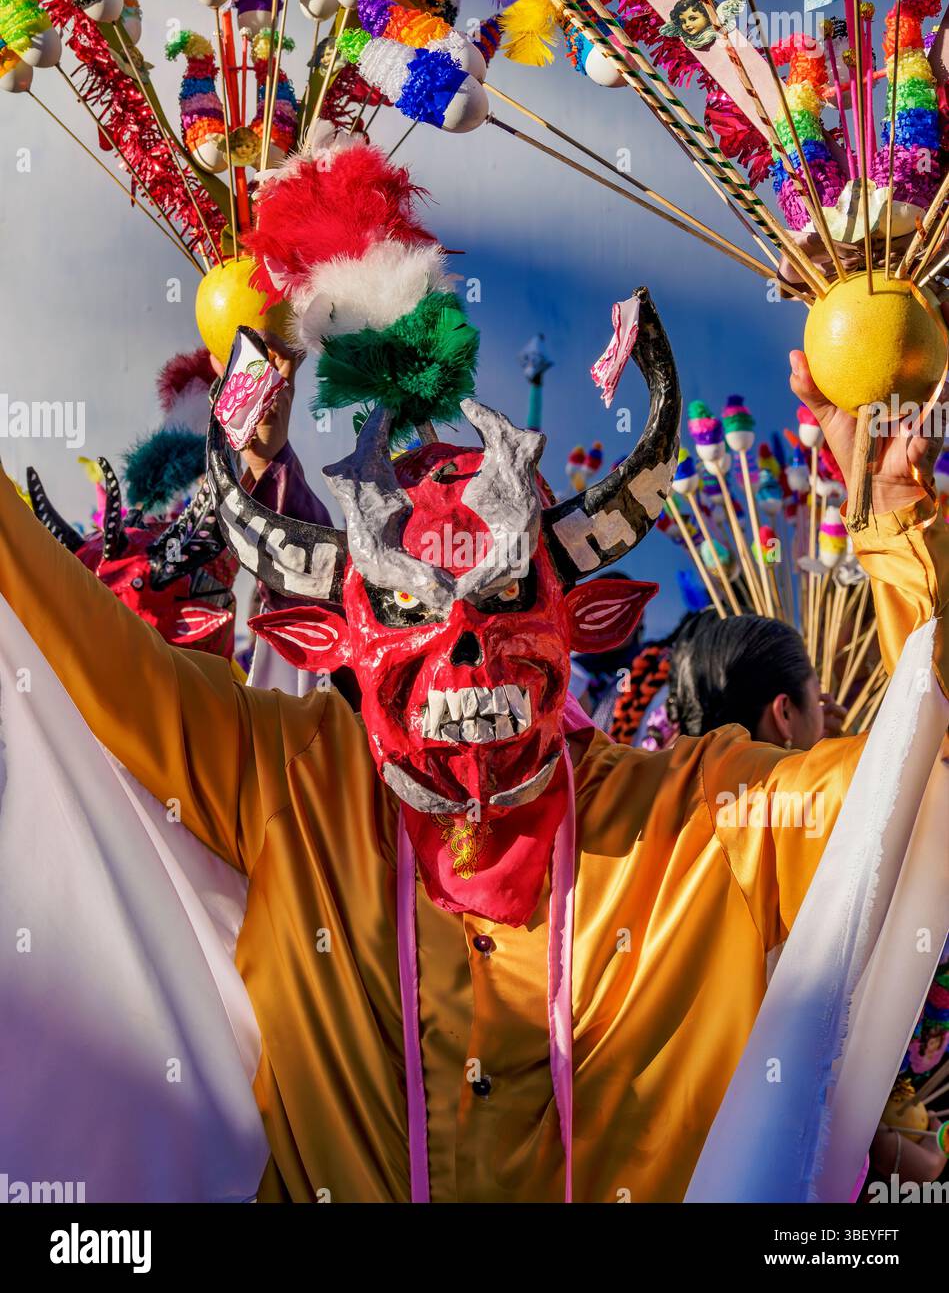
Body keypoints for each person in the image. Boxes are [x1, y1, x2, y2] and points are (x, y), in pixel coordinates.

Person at [0, 139, 946, 1203]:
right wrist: (244, 405)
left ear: (582, 620)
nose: (459, 643)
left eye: (500, 598)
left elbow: (916, 787)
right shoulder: (288, 780)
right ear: (335, 642)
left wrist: (896, 522)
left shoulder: (697, 821)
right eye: (406, 606)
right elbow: (70, 640)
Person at [667, 610, 847, 750]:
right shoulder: (822, 795)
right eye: (817, 695)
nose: (827, 702)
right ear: (784, 713)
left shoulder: (677, 792)